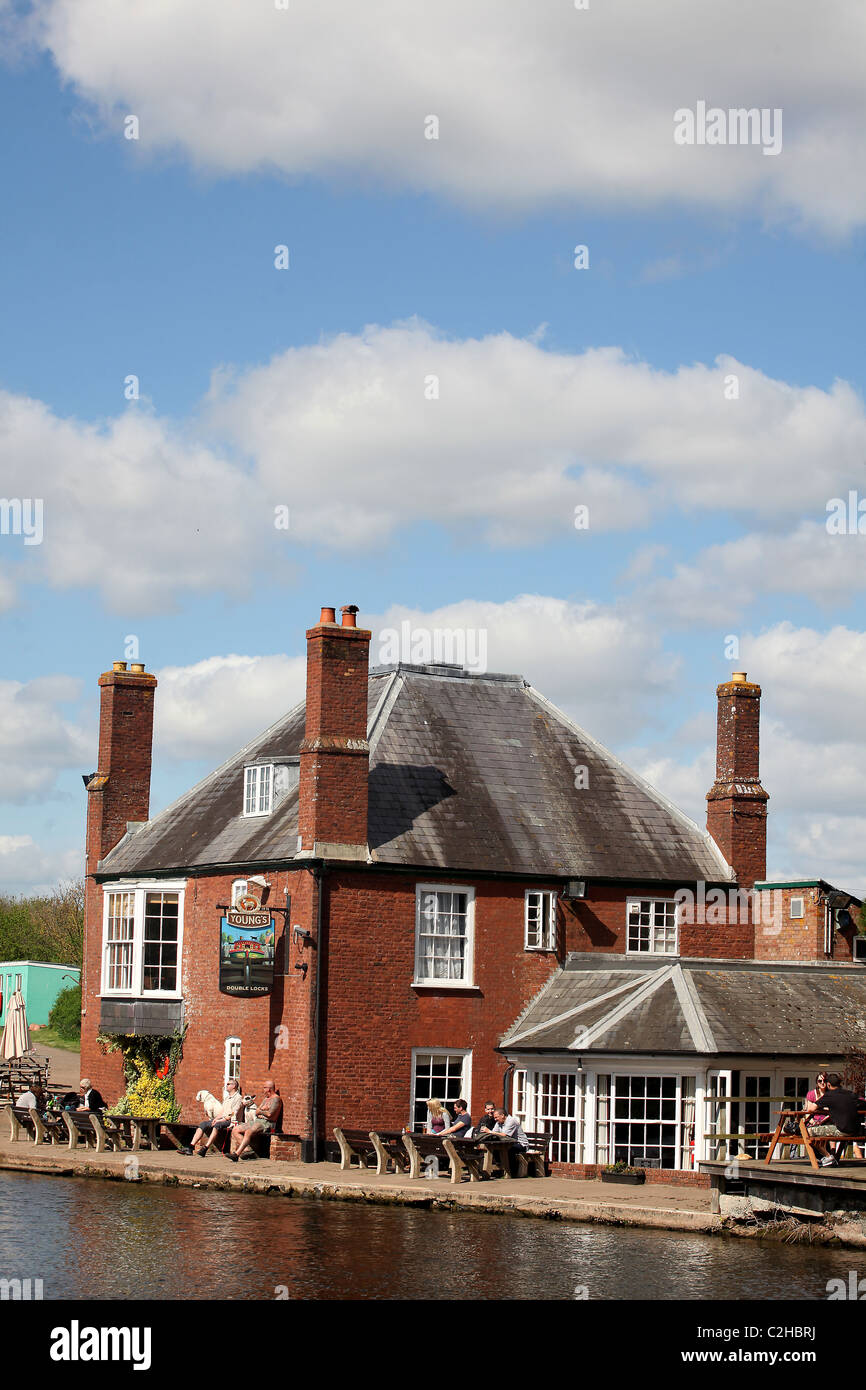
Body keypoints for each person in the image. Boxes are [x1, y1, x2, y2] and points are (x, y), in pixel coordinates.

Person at [805, 1073, 864, 1167]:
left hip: (842, 1130)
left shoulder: (829, 1096)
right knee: (827, 1129)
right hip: (855, 1130)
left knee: (807, 1132)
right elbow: (862, 1101)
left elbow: (810, 1109)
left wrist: (824, 1107)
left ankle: (829, 1157)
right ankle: (833, 1157)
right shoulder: (850, 1094)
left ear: (828, 1084)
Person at [180, 1079, 244, 1156]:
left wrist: (221, 1120)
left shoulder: (238, 1098)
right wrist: (216, 1119)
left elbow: (233, 1113)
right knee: (203, 1124)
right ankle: (191, 1147)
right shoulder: (227, 1098)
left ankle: (205, 1148)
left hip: (232, 1121)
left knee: (217, 1125)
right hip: (222, 1119)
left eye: (228, 1084)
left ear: (234, 1086)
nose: (226, 1086)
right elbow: (222, 1111)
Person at [228, 1080, 282, 1161]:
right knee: (235, 1129)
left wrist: (261, 1111)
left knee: (249, 1131)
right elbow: (257, 1111)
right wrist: (262, 1110)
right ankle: (247, 1150)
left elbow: (269, 1114)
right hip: (258, 1121)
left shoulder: (276, 1099)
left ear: (269, 1089)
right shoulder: (266, 1099)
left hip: (267, 1123)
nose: (263, 1090)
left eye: (264, 1088)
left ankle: (236, 1154)